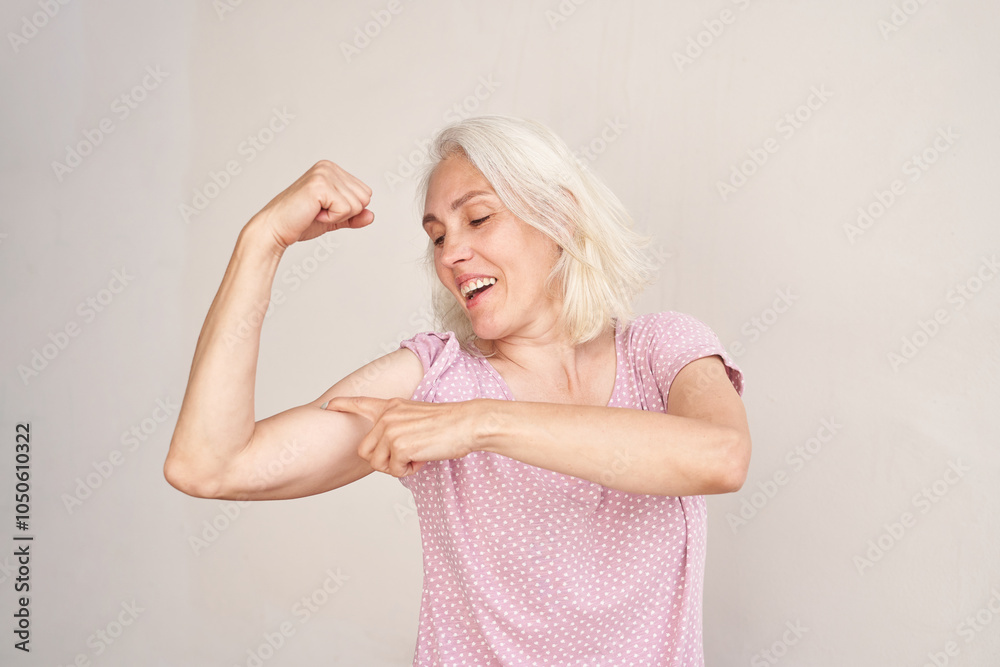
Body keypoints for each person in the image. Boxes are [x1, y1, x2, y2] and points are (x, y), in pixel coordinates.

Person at [164, 115, 751, 666]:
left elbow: (720, 456)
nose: (451, 253)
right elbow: (210, 465)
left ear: (559, 218)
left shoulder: (660, 351)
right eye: (437, 236)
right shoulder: (436, 381)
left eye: (477, 219)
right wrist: (262, 240)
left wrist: (479, 424)